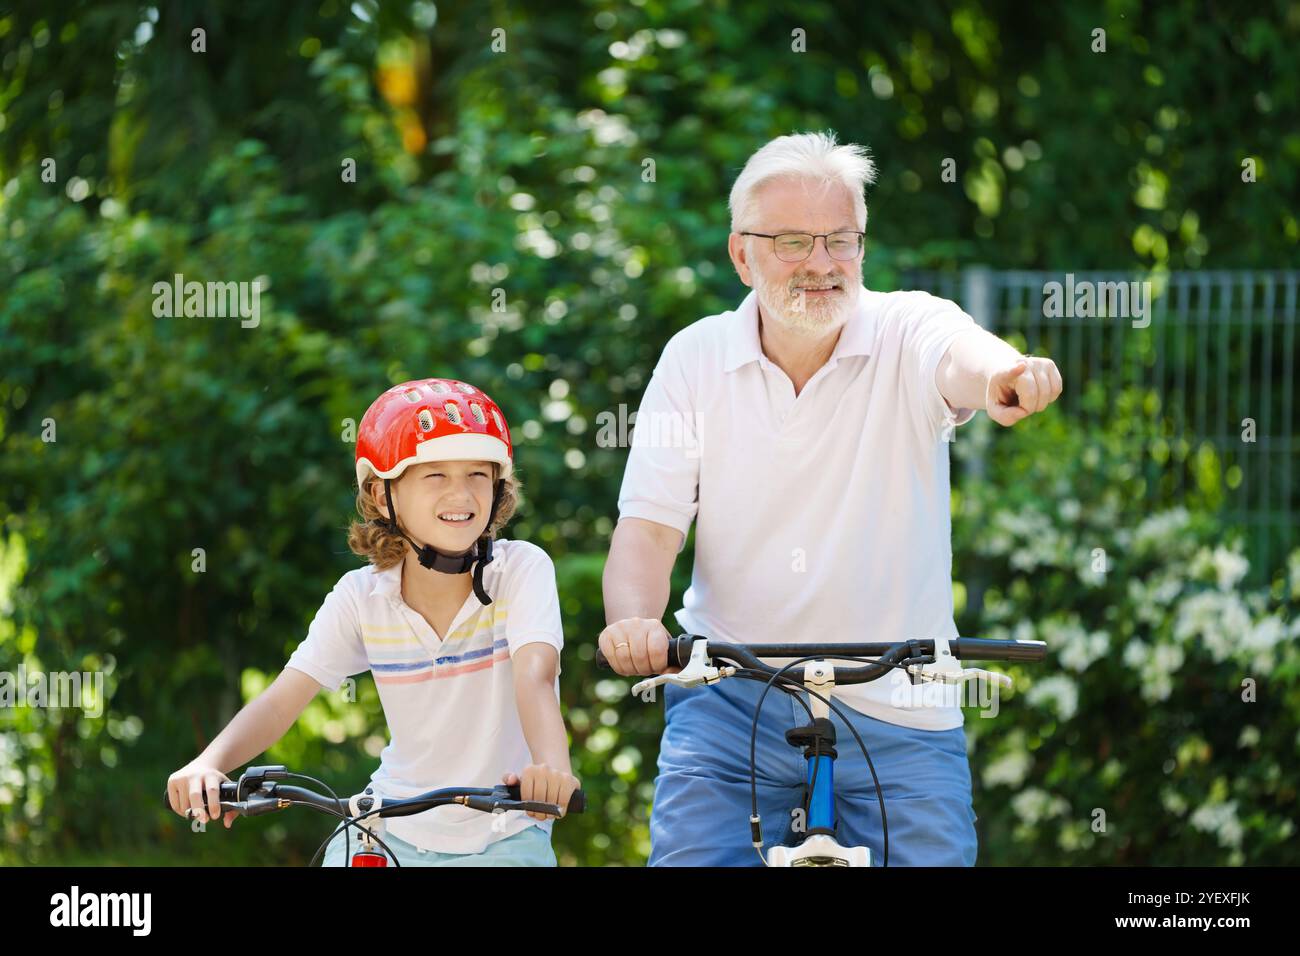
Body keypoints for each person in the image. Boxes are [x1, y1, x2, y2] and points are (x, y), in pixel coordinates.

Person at [599, 131, 1063, 866]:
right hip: (731, 698)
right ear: (741, 254)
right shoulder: (695, 358)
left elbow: (964, 355)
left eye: (840, 240)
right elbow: (650, 531)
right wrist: (632, 622)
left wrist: (1007, 374)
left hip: (902, 701)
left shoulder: (907, 326)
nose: (821, 263)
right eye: (792, 242)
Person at [166, 377, 578, 866]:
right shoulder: (363, 598)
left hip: (503, 832)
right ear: (383, 497)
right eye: (435, 476)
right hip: (385, 828)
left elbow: (536, 675)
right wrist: (210, 763)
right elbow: (282, 701)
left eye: (476, 475)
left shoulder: (521, 571)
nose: (461, 494)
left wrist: (551, 768)